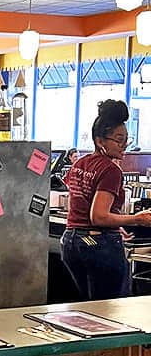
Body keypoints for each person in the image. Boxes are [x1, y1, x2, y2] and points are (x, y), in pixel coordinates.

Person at [61, 99, 151, 301]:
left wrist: (115, 225)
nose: (124, 145)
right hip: (97, 244)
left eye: (126, 139)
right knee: (110, 308)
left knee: (87, 307)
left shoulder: (80, 163)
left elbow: (81, 202)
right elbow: (99, 217)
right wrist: (138, 218)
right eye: (119, 140)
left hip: (71, 242)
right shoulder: (111, 170)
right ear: (100, 141)